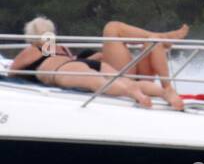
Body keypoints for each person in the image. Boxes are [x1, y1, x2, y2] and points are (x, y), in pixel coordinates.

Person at [8, 16, 189, 110]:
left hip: (66, 70)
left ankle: (133, 92)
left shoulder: (34, 49)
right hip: (81, 65)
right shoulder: (61, 49)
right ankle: (166, 91)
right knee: (125, 79)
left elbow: (12, 72)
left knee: (99, 82)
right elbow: (67, 57)